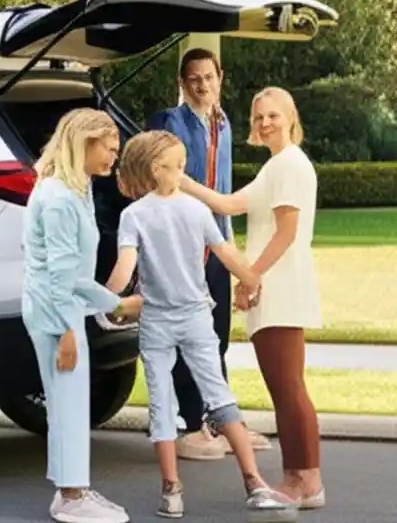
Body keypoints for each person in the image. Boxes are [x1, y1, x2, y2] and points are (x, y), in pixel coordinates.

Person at [104, 130, 295, 520]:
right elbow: (228, 255)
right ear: (159, 170)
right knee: (219, 396)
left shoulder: (133, 215)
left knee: (161, 404)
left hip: (156, 320)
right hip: (195, 318)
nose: (185, 172)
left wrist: (104, 301)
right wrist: (252, 280)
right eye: (179, 165)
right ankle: (254, 482)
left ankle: (171, 491)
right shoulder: (196, 210)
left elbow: (123, 272)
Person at [180, 86, 325, 510]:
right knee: (286, 388)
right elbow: (226, 203)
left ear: (290, 118)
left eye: (273, 116)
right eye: (259, 117)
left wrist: (250, 279)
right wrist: (182, 180)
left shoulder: (290, 166)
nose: (264, 123)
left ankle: (305, 482)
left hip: (278, 288)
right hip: (272, 288)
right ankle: (299, 478)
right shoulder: (276, 167)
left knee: (289, 390)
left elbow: (286, 233)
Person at [146, 47, 272, 459]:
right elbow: (163, 177)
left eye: (209, 76)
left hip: (214, 243)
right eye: (194, 78)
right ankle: (192, 421)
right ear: (183, 84)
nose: (202, 84)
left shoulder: (223, 125)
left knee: (215, 335)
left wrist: (229, 240)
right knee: (187, 334)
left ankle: (220, 418)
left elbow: (222, 182)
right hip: (181, 245)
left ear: (221, 78)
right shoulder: (169, 123)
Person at [22, 108, 144, 523]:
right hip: (55, 312)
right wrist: (71, 330)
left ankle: (71, 489)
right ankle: (72, 498)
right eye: (108, 149)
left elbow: (74, 275)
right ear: (83, 143)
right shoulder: (57, 197)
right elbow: (62, 276)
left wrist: (114, 304)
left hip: (64, 307)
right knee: (69, 405)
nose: (114, 157)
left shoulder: (78, 189)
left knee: (68, 403)